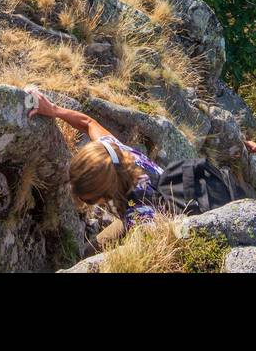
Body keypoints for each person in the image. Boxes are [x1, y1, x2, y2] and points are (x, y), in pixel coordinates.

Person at [27, 88, 163, 248]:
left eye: (88, 199)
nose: (75, 195)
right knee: (92, 250)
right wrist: (53, 110)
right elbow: (88, 123)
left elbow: (157, 248)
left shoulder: (141, 214)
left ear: (107, 194)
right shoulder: (112, 151)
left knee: (94, 256)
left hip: (165, 220)